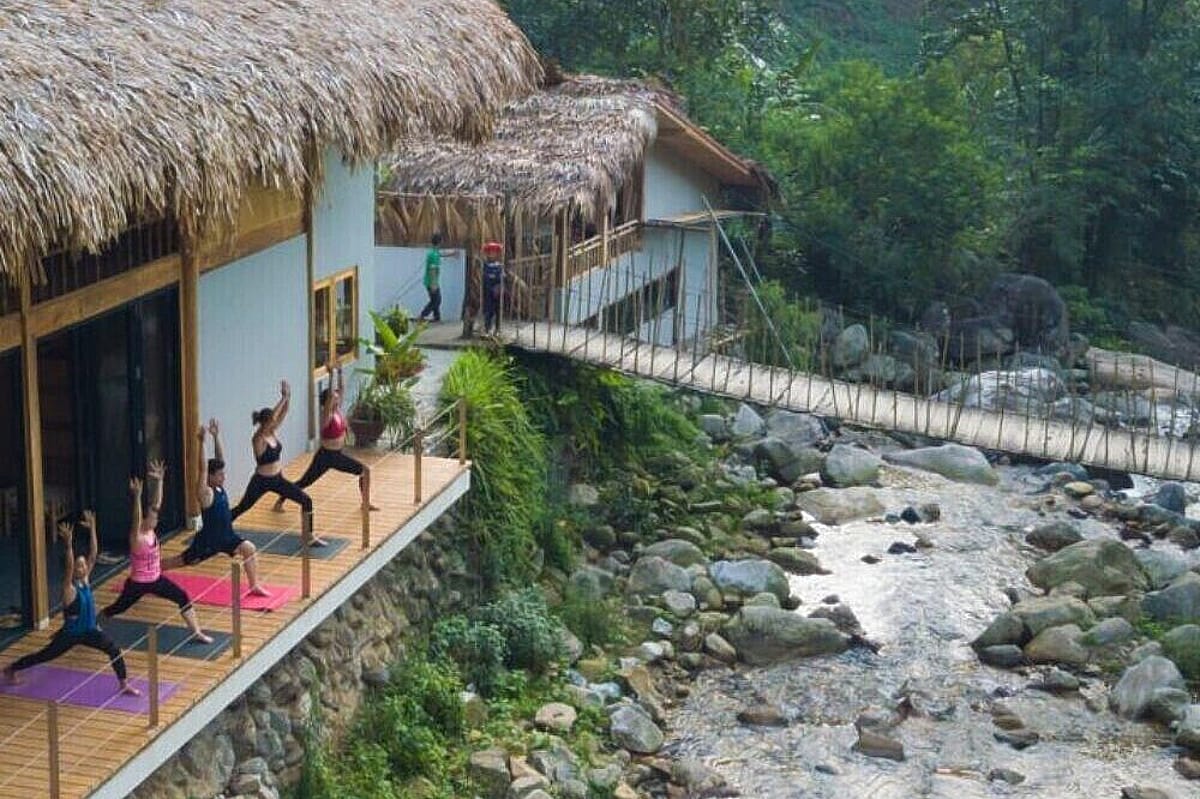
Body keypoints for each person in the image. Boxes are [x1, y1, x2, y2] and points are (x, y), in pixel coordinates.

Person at [3, 513, 139, 696]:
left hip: (90, 631)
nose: (83, 568)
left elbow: (93, 553)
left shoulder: (86, 580)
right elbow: (68, 566)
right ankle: (11, 669)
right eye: (79, 567)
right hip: (70, 635)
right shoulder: (69, 588)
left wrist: (92, 529)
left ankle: (123, 684)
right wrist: (68, 545)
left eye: (83, 566)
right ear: (73, 570)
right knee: (44, 655)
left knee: (114, 649)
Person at [102, 462, 212, 644]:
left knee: (182, 596)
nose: (156, 521)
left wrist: (160, 481)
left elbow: (156, 504)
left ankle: (196, 632)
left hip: (156, 579)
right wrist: (137, 497)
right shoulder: (137, 536)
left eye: (156, 519)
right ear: (145, 520)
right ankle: (92, 627)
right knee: (116, 608)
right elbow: (137, 517)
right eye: (152, 519)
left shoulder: (151, 530)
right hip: (137, 584)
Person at [162, 419, 270, 595]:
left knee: (249, 549)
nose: (223, 477)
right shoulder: (205, 493)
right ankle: (151, 572)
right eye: (220, 475)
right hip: (208, 542)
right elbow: (202, 468)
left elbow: (220, 459)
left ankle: (254, 585)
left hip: (227, 537)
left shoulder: (219, 487)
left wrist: (216, 436)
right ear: (210, 477)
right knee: (181, 561)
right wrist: (201, 442)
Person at [272, 366, 378, 514]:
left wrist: (340, 373)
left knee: (364, 472)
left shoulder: (337, 410)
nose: (337, 396)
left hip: (336, 454)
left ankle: (365, 503)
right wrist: (331, 375)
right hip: (326, 456)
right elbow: (330, 400)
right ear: (328, 401)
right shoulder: (326, 416)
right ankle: (279, 502)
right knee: (304, 482)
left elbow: (341, 389)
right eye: (334, 396)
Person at [227, 381, 322, 543]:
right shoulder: (258, 439)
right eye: (271, 421)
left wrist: (288, 398)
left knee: (306, 500)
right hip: (261, 481)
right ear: (264, 423)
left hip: (277, 479)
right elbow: (275, 415)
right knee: (243, 507)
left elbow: (283, 413)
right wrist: (282, 398)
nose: (275, 422)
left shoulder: (272, 432)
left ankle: (308, 536)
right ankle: (219, 525)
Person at [418, 232, 444, 323]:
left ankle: (437, 317)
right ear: (440, 242)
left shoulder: (434, 252)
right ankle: (423, 315)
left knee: (435, 299)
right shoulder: (434, 255)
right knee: (436, 300)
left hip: (430, 281)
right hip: (431, 281)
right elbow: (432, 270)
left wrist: (451, 254)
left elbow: (441, 254)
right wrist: (434, 284)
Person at [481, 240, 505, 335]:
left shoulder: (500, 266)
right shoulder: (485, 266)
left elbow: (502, 278)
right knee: (488, 311)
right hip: (488, 292)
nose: (492, 254)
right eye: (490, 252)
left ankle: (497, 329)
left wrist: (498, 287)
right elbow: (485, 278)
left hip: (498, 292)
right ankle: (487, 328)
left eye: (494, 252)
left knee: (498, 311)